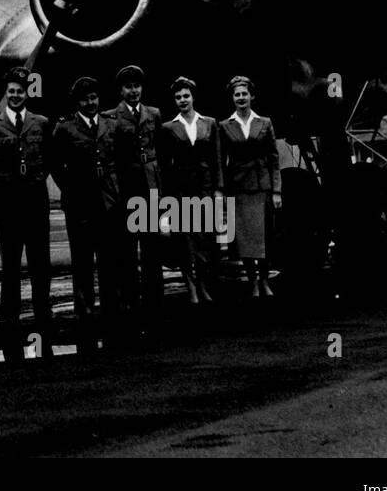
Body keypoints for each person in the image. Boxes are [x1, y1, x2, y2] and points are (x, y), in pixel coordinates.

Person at [0, 66, 53, 360]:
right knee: (10, 265)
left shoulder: (41, 123)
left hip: (35, 203)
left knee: (39, 264)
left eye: (20, 91)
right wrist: (1, 185)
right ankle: (9, 320)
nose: (16, 95)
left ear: (27, 92)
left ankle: (42, 316)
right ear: (5, 94)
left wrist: (33, 180)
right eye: (11, 91)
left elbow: (47, 159)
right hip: (8, 205)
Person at [50, 75, 120, 353]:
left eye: (93, 98)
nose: (90, 103)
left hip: (108, 203)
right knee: (82, 262)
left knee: (108, 261)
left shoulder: (110, 125)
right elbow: (55, 165)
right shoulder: (65, 129)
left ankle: (111, 312)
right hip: (80, 205)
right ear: (77, 102)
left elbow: (117, 163)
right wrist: (72, 190)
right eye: (85, 99)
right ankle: (85, 312)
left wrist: (116, 193)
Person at [106, 64, 165, 321]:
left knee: (152, 248)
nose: (134, 91)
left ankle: (155, 300)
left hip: (150, 188)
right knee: (127, 250)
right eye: (129, 87)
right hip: (128, 189)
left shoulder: (154, 114)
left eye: (137, 86)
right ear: (121, 90)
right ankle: (130, 300)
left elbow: (161, 152)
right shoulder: (111, 117)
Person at [157, 76, 222, 305]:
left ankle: (203, 284)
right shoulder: (168, 127)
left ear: (193, 97)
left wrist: (218, 189)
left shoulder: (210, 123)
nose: (182, 100)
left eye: (186, 96)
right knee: (186, 244)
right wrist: (165, 200)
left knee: (205, 242)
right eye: (178, 97)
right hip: (181, 191)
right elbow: (165, 166)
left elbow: (216, 158)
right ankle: (191, 286)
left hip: (204, 189)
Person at [219, 75, 282, 297]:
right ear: (232, 98)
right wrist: (223, 191)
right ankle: (253, 282)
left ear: (251, 96)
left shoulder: (265, 123)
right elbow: (221, 161)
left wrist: (276, 190)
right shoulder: (225, 126)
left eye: (244, 93)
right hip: (239, 188)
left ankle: (264, 281)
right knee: (245, 241)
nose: (241, 98)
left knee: (263, 238)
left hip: (262, 187)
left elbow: (274, 158)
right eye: (237, 94)